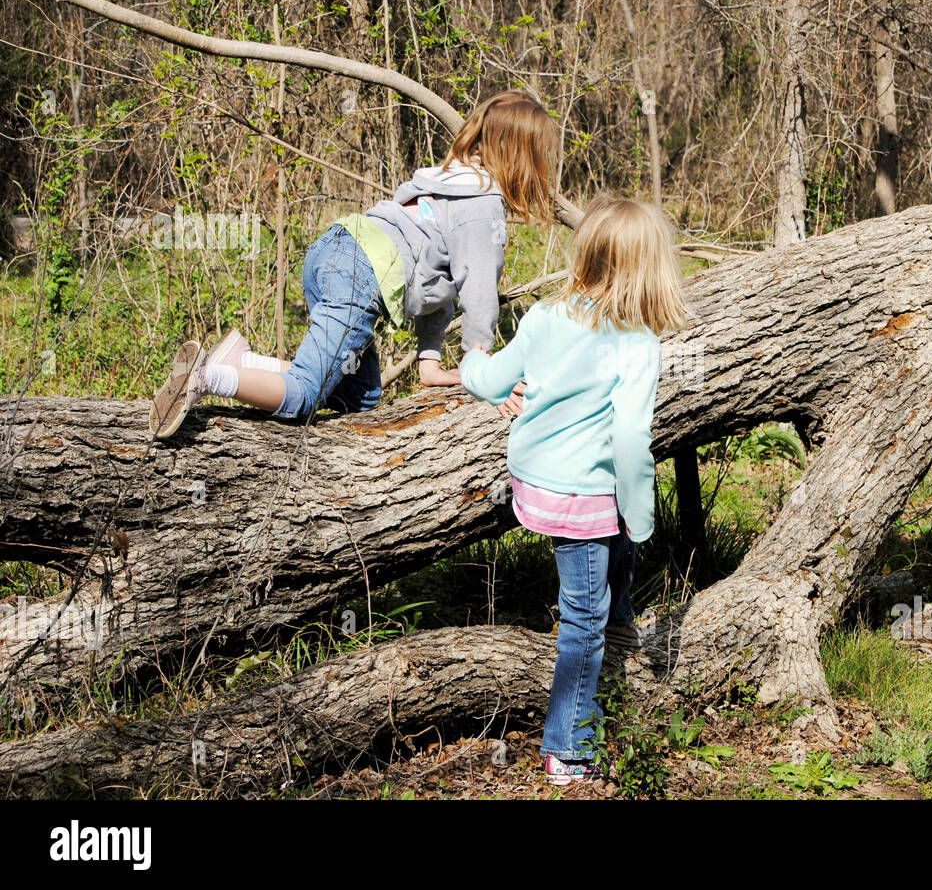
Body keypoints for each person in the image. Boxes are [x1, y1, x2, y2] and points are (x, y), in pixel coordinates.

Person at [148, 89, 559, 437]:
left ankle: (243, 361)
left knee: (361, 395)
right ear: (522, 154)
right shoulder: (483, 206)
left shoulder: (450, 179)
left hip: (334, 251)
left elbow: (441, 285)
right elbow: (480, 292)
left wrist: (430, 362)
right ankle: (206, 377)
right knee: (304, 396)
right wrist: (482, 372)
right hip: (359, 275)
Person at [458, 197, 688, 785]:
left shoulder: (544, 317)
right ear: (649, 270)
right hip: (584, 497)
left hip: (539, 480)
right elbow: (633, 440)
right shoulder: (638, 342)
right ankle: (568, 746)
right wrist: (643, 513)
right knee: (583, 620)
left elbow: (492, 378)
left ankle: (623, 618)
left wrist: (470, 364)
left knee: (617, 549)